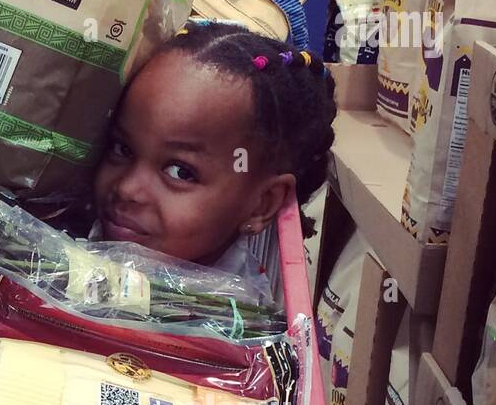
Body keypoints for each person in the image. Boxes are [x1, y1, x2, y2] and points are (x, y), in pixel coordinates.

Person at [92, 22, 336, 275]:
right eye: (123, 149)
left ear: (261, 205)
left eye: (180, 172)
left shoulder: (239, 311)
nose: (127, 189)